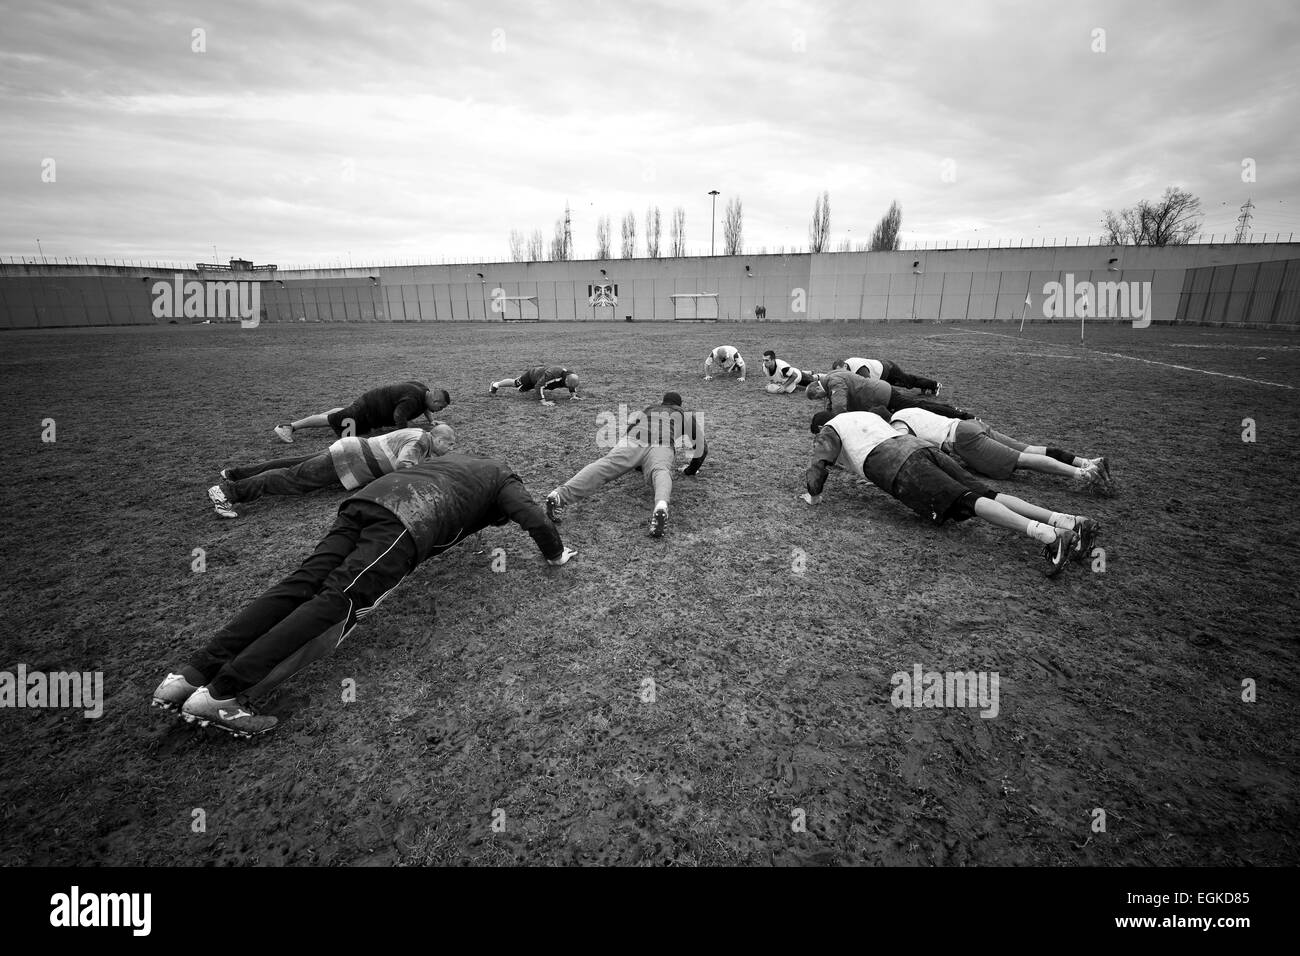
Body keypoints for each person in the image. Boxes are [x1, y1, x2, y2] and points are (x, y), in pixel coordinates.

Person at [153, 453, 576, 737]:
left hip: (365, 503)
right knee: (337, 602)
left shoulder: (463, 462)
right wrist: (556, 554)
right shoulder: (506, 480)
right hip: (407, 519)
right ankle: (223, 695)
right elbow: (534, 517)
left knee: (298, 585)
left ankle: (189, 677)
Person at [802, 410, 1100, 577]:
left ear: (819, 428)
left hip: (898, 465)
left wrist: (812, 496)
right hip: (921, 448)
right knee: (988, 493)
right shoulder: (863, 415)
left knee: (970, 502)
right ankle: (1069, 520)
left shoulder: (828, 430)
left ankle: (1049, 536)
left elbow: (819, 466)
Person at [207, 423, 457, 518]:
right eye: (450, 443)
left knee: (293, 466)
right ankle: (227, 492)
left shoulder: (419, 435)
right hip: (348, 460)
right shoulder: (420, 442)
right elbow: (405, 467)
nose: (452, 447)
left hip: (349, 449)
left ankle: (236, 474)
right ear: (438, 439)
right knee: (293, 480)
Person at [545, 392, 707, 538]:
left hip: (633, 439)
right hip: (662, 444)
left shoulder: (649, 409)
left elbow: (630, 429)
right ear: (679, 405)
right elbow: (701, 447)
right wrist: (690, 471)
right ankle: (661, 505)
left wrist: (635, 462)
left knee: (605, 465)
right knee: (660, 471)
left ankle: (560, 495)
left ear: (663, 402)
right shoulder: (684, 415)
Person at [889, 407, 1113, 494]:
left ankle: (1084, 475)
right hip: (967, 426)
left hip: (964, 439)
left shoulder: (896, 423)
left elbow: (909, 449)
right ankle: (1087, 462)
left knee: (1023, 460)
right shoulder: (908, 410)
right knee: (1031, 449)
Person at [274, 381, 450, 443]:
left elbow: (426, 406)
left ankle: (341, 413)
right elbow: (399, 416)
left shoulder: (423, 390)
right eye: (440, 407)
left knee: (340, 414)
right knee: (333, 421)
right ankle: (288, 427)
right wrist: (405, 435)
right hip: (366, 411)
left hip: (368, 402)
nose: (438, 410)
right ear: (435, 400)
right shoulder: (413, 399)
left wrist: (430, 420)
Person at [807, 369, 973, 419]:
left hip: (881, 395)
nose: (820, 399)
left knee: (918, 408)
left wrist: (833, 420)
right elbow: (832, 402)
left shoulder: (834, 382)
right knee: (915, 409)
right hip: (879, 393)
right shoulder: (831, 379)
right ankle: (954, 412)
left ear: (818, 389)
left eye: (818, 397)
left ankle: (957, 414)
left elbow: (839, 406)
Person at [833, 356, 941, 394]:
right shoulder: (846, 366)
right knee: (907, 383)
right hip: (881, 372)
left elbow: (869, 384)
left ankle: (935, 385)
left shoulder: (858, 368)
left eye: (841, 371)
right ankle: (925, 386)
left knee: (908, 382)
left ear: (845, 366)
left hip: (887, 369)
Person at [490, 365, 582, 406]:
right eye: (567, 385)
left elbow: (572, 384)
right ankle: (495, 384)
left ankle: (523, 387)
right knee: (516, 383)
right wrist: (543, 401)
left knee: (522, 390)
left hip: (542, 379)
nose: (569, 387)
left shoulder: (571, 377)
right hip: (533, 375)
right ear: (566, 379)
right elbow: (539, 386)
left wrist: (573, 395)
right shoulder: (553, 374)